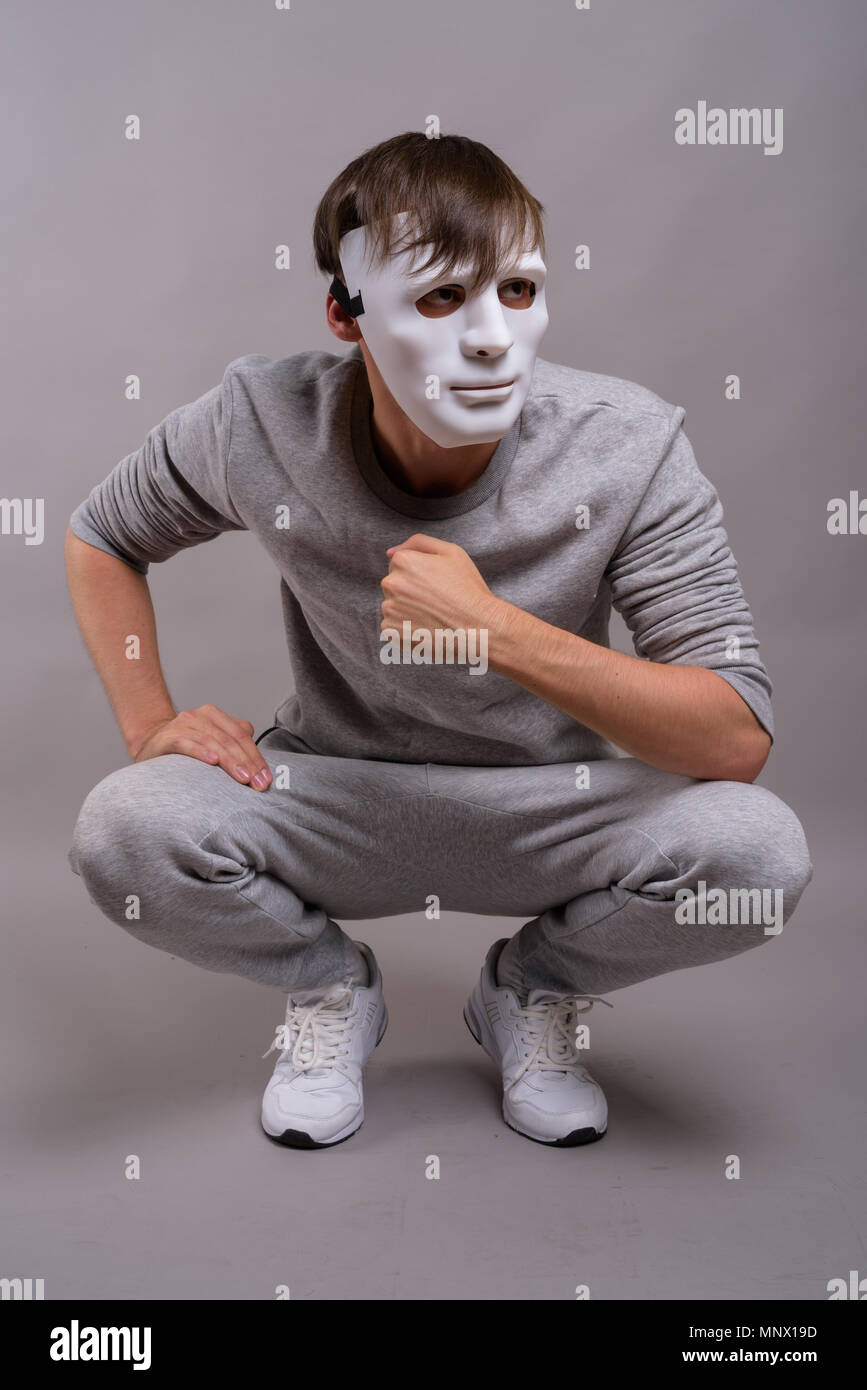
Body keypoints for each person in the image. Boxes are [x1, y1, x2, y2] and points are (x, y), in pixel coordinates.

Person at [65, 131, 812, 1151]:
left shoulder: (628, 443)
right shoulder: (263, 419)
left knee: (759, 855)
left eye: (517, 290)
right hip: (337, 797)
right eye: (439, 299)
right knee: (122, 829)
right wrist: (148, 720)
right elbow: (103, 534)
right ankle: (329, 993)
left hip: (555, 812)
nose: (495, 337)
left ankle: (530, 993)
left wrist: (498, 633)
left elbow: (735, 737)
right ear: (346, 313)